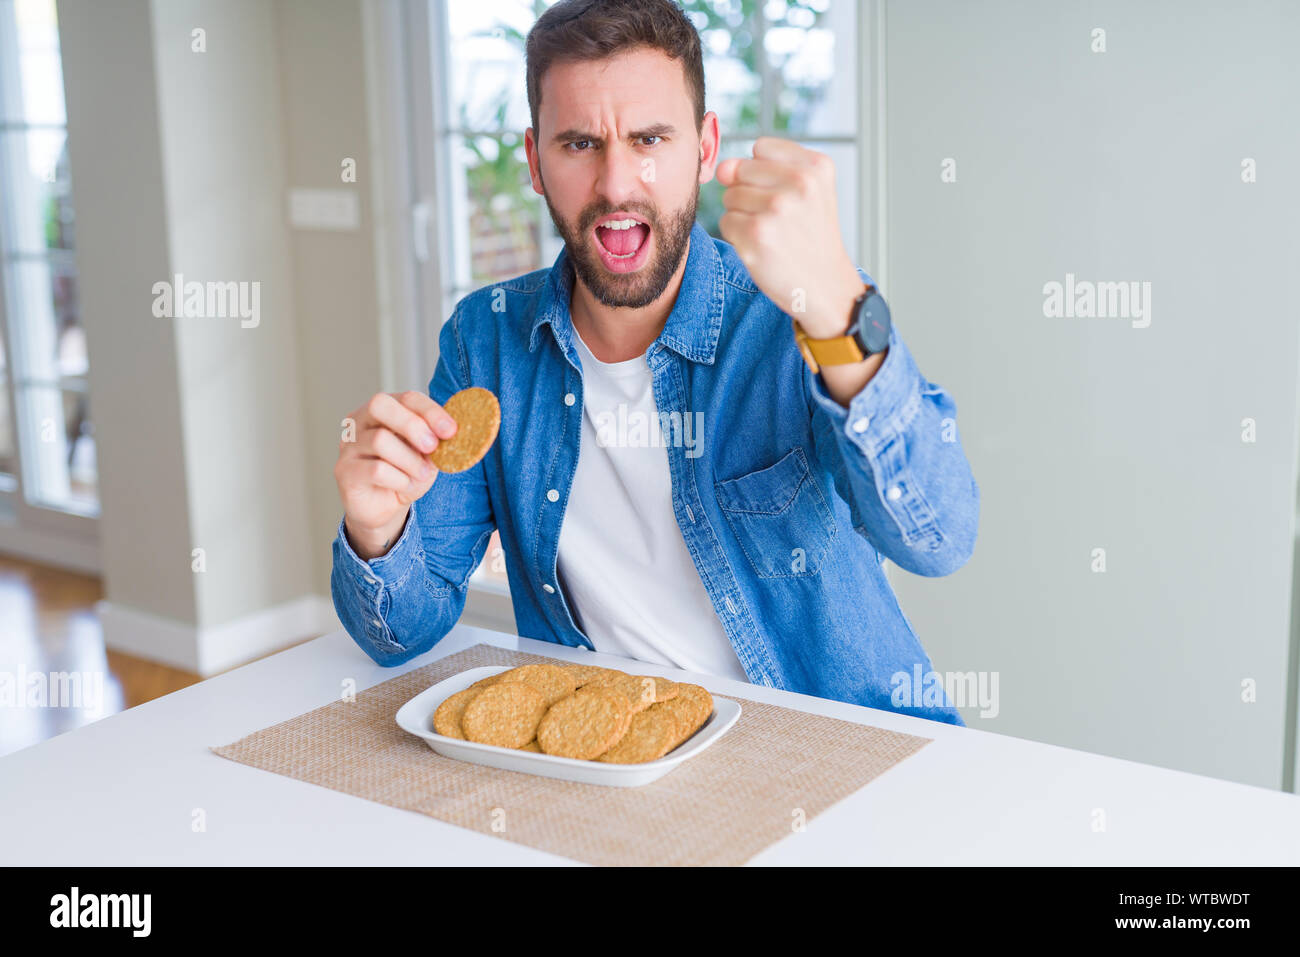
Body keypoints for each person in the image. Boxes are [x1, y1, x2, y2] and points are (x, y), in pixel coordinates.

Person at [331, 0, 979, 724]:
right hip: (611, 761)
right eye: (578, 143)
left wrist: (839, 307)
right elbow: (400, 635)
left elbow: (941, 539)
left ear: (704, 148)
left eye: (649, 138)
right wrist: (375, 527)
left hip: (828, 753)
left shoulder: (796, 323)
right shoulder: (485, 341)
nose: (615, 184)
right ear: (535, 160)